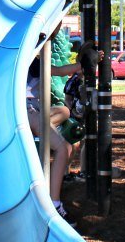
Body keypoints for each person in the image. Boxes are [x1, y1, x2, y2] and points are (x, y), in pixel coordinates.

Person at [26, 36, 85, 219]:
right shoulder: (31, 61)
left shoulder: (26, 58)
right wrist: (81, 66)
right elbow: (58, 71)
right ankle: (54, 203)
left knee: (64, 111)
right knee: (64, 148)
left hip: (31, 109)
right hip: (26, 112)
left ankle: (48, 128)